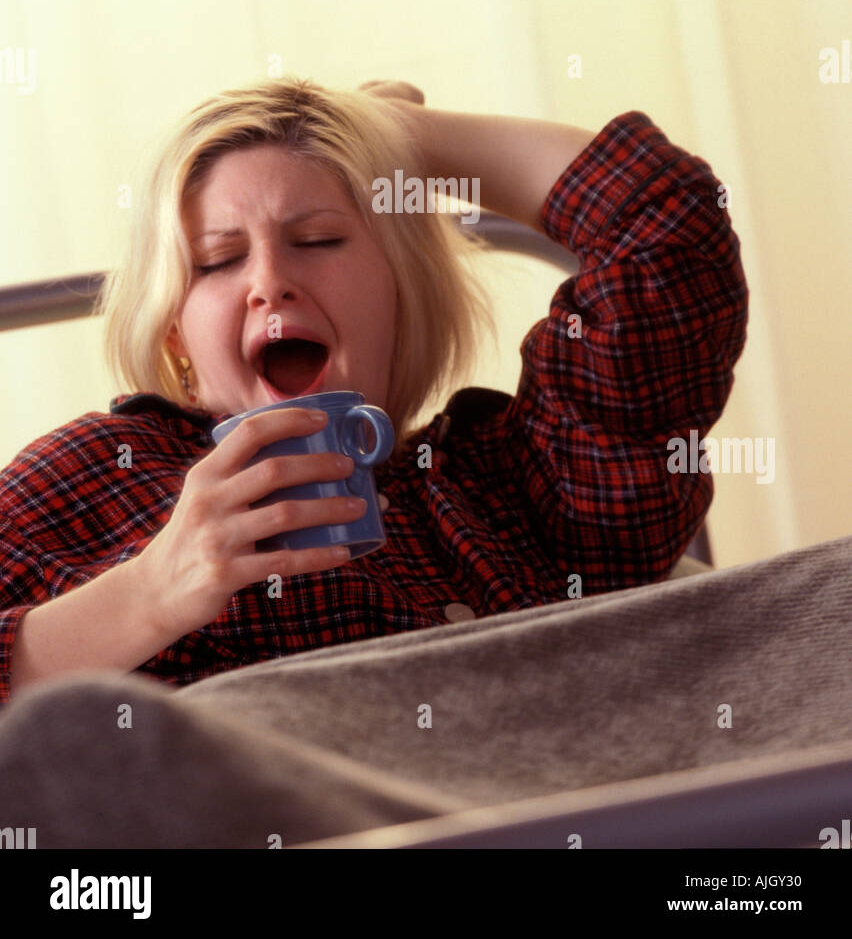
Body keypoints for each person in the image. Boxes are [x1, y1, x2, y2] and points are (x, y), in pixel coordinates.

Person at [0, 77, 749, 706]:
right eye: (219, 260)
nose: (269, 282)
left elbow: (667, 226)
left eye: (319, 240)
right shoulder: (99, 473)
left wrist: (399, 138)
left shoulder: (523, 483)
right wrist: (149, 594)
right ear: (176, 339)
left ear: (401, 293)